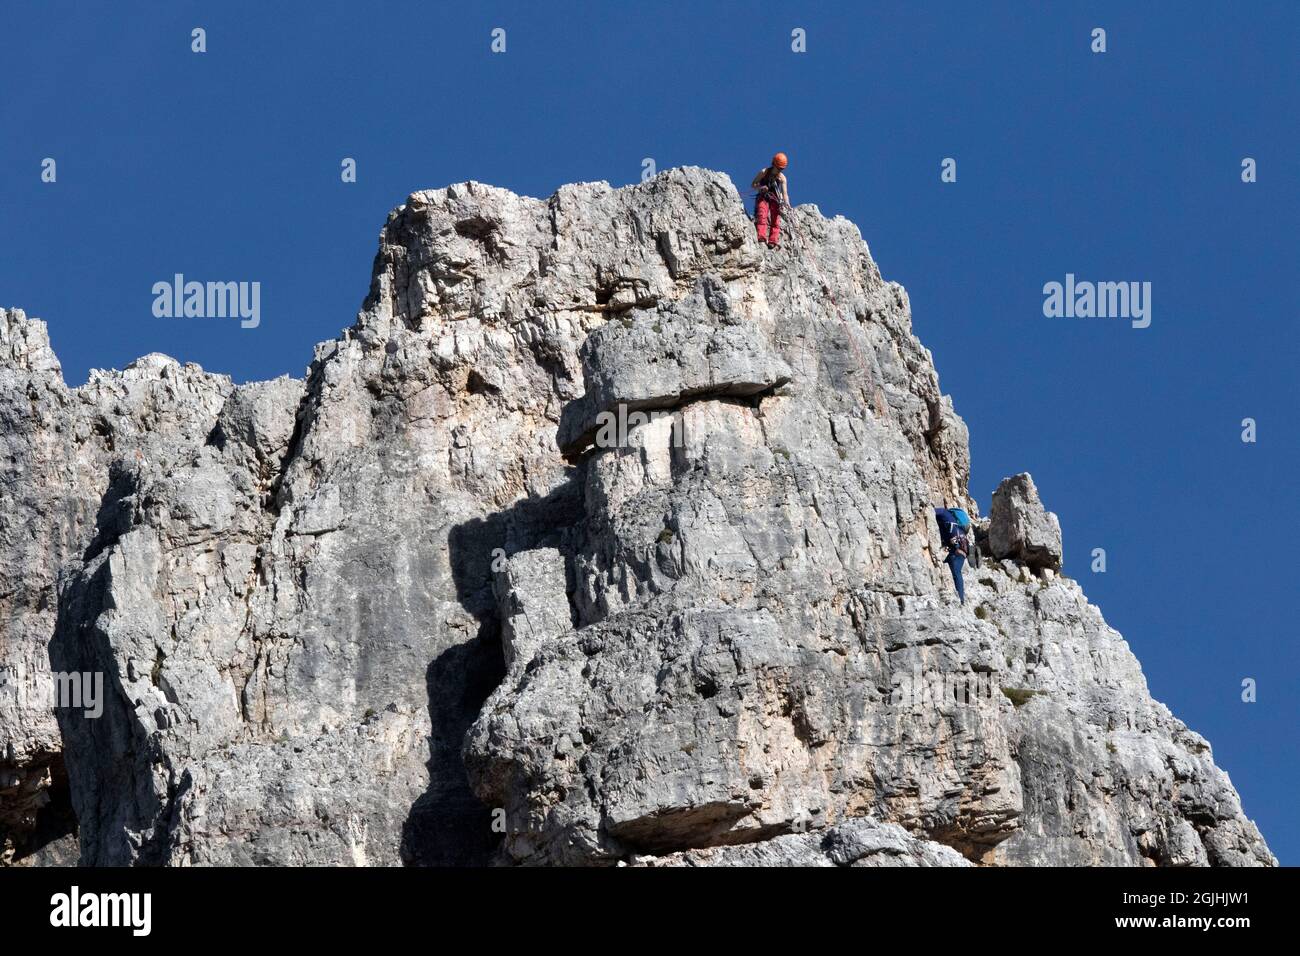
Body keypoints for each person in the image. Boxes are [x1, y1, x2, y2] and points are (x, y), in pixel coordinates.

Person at [751, 152, 790, 248]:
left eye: (782, 169)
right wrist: (760, 187)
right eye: (779, 168)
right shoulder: (764, 172)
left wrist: (787, 203)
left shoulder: (782, 178)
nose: (780, 170)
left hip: (776, 199)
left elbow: (785, 194)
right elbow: (753, 184)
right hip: (764, 196)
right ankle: (761, 236)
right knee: (762, 215)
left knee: (775, 220)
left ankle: (773, 240)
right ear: (774, 164)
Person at [934, 507, 970, 605]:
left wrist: (928, 508)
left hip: (957, 550)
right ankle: (957, 596)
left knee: (956, 573)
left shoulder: (945, 514)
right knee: (945, 568)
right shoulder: (956, 526)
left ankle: (960, 599)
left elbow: (935, 511)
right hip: (961, 550)